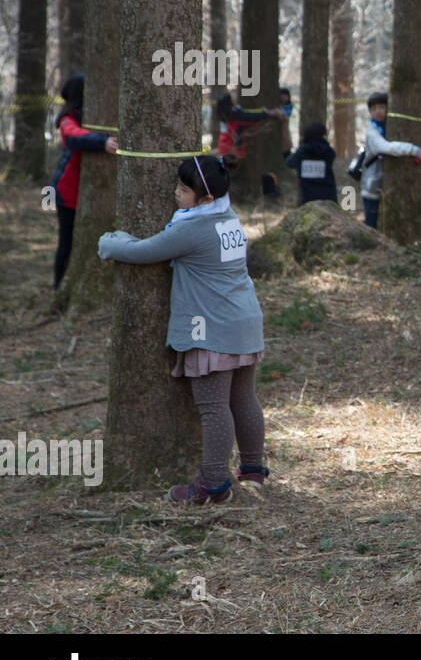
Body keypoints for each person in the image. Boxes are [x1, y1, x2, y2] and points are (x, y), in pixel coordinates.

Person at [96, 155, 269, 506]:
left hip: (213, 327)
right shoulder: (228, 217)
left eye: (183, 189)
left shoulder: (192, 228)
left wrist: (111, 243)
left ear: (204, 198)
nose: (176, 193)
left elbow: (147, 251)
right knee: (243, 398)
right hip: (245, 320)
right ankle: (253, 471)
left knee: (213, 406)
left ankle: (214, 486)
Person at [50, 73, 118, 289]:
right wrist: (103, 142)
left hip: (76, 193)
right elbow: (73, 136)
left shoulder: (88, 116)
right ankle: (59, 285)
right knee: (67, 243)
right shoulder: (68, 119)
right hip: (65, 193)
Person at [360, 91, 421, 229]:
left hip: (384, 185)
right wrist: (415, 150)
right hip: (372, 186)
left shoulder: (389, 126)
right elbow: (387, 147)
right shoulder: (373, 132)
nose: (378, 112)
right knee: (371, 225)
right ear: (369, 111)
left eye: (382, 107)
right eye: (374, 109)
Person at [216, 92, 290, 196]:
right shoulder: (234, 116)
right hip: (231, 150)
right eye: (232, 96)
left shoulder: (231, 113)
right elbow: (251, 118)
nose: (235, 96)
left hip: (227, 148)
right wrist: (268, 113)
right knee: (232, 176)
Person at [284, 121, 339, 205]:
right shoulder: (328, 151)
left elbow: (289, 162)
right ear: (323, 135)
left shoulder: (301, 152)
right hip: (328, 198)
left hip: (308, 200)